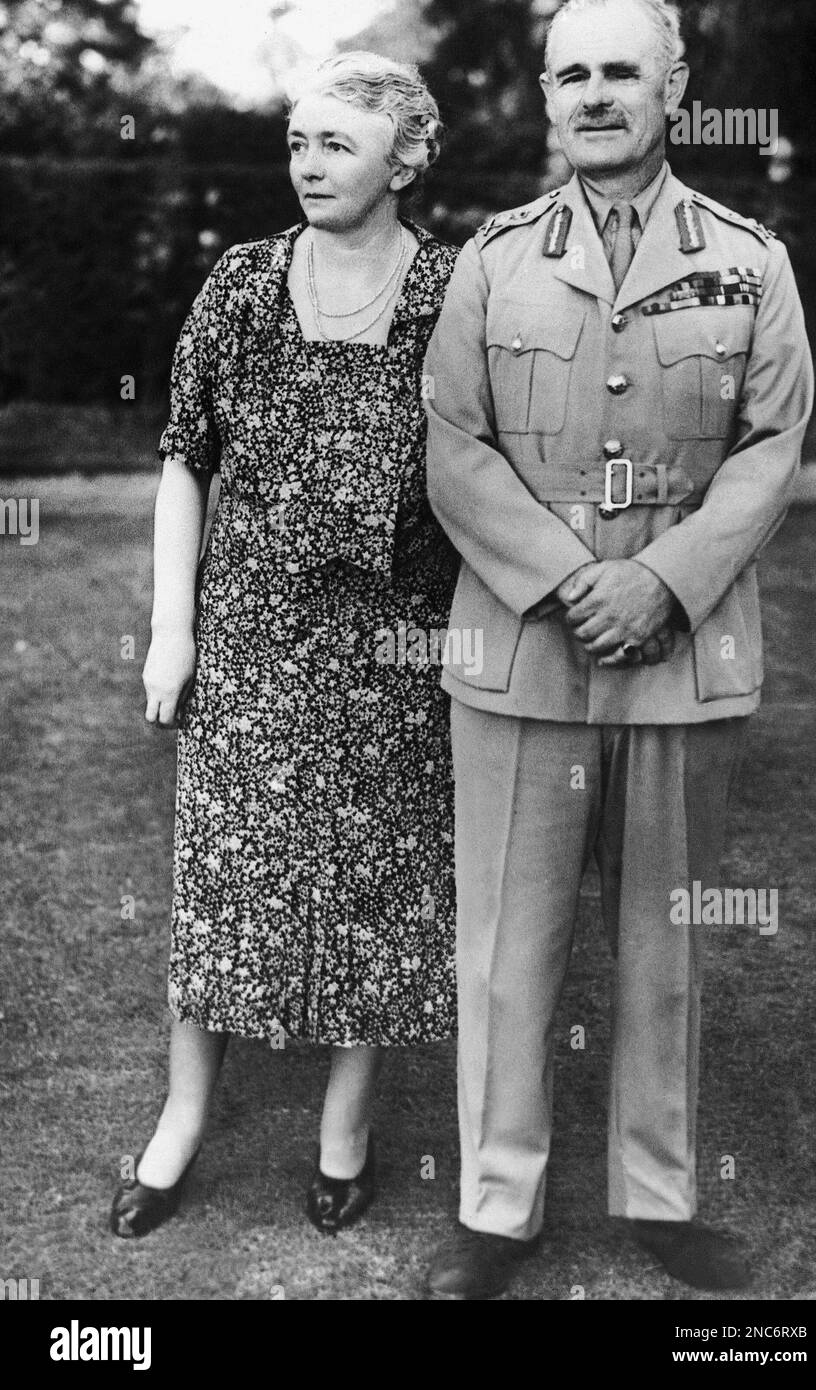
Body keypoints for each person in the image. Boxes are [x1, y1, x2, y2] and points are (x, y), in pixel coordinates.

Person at [424, 0, 813, 1299]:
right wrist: (567, 579)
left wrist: (661, 581)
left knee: (663, 939)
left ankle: (657, 1192)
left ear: (675, 86)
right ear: (546, 93)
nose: (596, 94)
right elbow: (453, 444)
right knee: (506, 940)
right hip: (521, 656)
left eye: (621, 72)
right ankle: (496, 1202)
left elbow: (770, 446)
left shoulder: (752, 261)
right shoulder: (490, 259)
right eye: (572, 73)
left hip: (677, 655)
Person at [110, 52, 459, 1241]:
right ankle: (180, 1120)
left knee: (379, 887)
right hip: (249, 642)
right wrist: (173, 632)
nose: (308, 164)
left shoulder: (451, 292)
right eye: (298, 142)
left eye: (337, 145)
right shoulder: (243, 284)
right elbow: (182, 462)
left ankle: (345, 1127)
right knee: (223, 885)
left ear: (404, 158)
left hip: (394, 649)